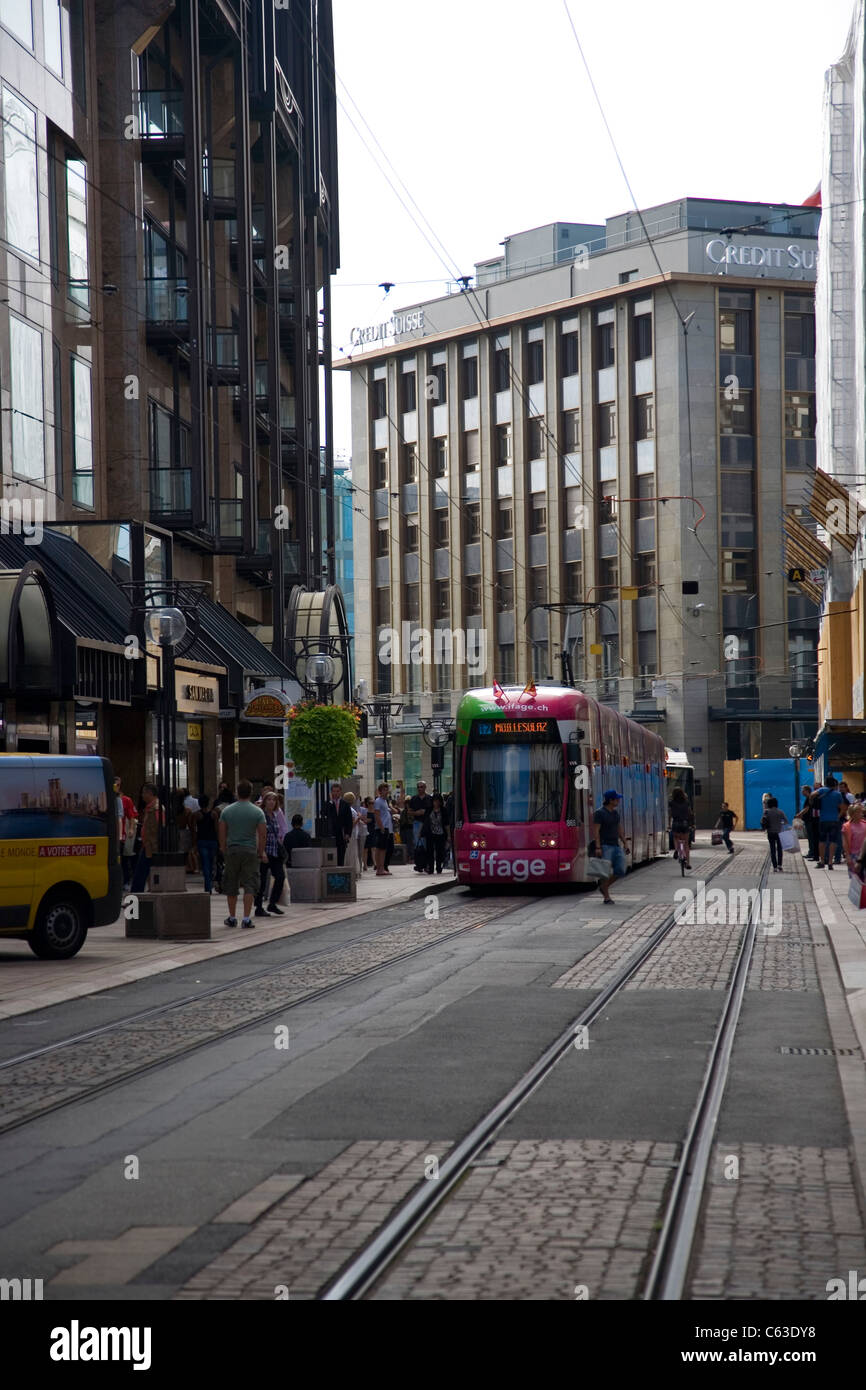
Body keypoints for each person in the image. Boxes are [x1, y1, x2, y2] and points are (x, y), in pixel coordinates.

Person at [218, 779, 267, 929]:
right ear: (251, 793)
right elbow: (262, 834)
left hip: (232, 850)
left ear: (237, 792)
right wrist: (261, 851)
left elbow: (222, 832)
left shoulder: (227, 811)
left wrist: (223, 848)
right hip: (250, 851)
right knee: (249, 884)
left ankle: (232, 917)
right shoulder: (257, 811)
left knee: (231, 883)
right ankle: (246, 918)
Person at [591, 790, 630, 904]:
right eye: (616, 799)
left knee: (621, 869)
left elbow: (619, 829)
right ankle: (606, 897)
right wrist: (598, 847)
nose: (618, 800)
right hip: (605, 845)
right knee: (605, 871)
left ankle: (603, 887)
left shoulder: (615, 813)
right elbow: (596, 831)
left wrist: (625, 842)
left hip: (615, 845)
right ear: (610, 800)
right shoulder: (599, 813)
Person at [255, 791, 288, 917]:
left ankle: (272, 903)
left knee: (280, 877)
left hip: (274, 852)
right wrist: (260, 851)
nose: (271, 802)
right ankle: (258, 907)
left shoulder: (275, 815)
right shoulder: (261, 814)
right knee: (262, 881)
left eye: (273, 800)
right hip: (264, 851)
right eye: (268, 799)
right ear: (264, 801)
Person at [130, 783, 161, 892]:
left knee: (140, 873)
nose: (142, 795)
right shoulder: (150, 808)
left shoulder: (156, 809)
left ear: (150, 793)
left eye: (144, 792)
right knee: (142, 873)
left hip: (152, 846)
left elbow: (160, 828)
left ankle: (135, 897)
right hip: (148, 845)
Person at [812, 776, 844, 870]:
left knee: (822, 841)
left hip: (823, 820)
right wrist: (837, 816)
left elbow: (812, 795)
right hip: (834, 820)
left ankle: (822, 861)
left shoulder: (822, 790)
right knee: (833, 841)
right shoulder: (838, 794)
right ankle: (830, 862)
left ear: (825, 783)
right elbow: (842, 808)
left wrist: (811, 801)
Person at [114, 777, 138, 888]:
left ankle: (125, 881)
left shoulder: (125, 800)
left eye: (118, 785)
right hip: (112, 833)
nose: (116, 787)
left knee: (123, 858)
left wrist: (131, 829)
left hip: (121, 833)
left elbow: (131, 816)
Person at [323, 783, 354, 866]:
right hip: (331, 833)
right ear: (331, 792)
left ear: (340, 792)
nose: (335, 793)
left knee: (341, 853)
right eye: (333, 791)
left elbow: (349, 820)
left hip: (342, 832)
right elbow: (324, 813)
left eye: (337, 791)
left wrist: (348, 833)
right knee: (331, 854)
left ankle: (340, 868)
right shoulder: (328, 803)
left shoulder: (345, 804)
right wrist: (330, 803)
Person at [195, 794, 219, 894]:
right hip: (212, 840)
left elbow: (194, 830)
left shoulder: (197, 815)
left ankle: (207, 886)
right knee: (211, 862)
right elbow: (217, 829)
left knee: (205, 864)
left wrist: (194, 843)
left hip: (202, 840)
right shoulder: (214, 814)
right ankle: (209, 883)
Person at [422, 793, 449, 874]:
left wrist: (449, 835)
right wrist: (421, 832)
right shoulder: (429, 810)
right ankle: (430, 868)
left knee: (439, 851)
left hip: (441, 833)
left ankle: (438, 867)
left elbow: (446, 824)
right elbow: (425, 821)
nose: (436, 803)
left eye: (438, 801)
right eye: (434, 801)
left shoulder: (443, 810)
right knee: (429, 851)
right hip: (430, 833)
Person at [761, 796, 789, 872]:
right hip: (779, 832)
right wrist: (781, 824)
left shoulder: (766, 811)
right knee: (780, 849)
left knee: (772, 849)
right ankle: (780, 865)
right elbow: (786, 822)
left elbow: (763, 820)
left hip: (770, 832)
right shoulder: (780, 812)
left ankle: (774, 866)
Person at [669, 787, 694, 870]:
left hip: (676, 823)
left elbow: (670, 814)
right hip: (684, 823)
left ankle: (676, 849)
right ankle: (688, 864)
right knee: (686, 844)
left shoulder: (671, 803)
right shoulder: (686, 803)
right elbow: (690, 813)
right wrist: (692, 824)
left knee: (675, 837)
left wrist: (669, 824)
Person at [372, 782, 394, 877]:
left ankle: (381, 868)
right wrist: (381, 828)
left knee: (383, 849)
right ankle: (380, 869)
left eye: (387, 790)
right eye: (384, 790)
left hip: (386, 827)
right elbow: (376, 815)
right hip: (382, 827)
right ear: (380, 791)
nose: (386, 792)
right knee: (381, 849)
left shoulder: (385, 801)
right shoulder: (378, 801)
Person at [342, 791, 363, 879]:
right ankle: (352, 870)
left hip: (353, 833)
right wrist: (358, 818)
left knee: (352, 852)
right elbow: (351, 824)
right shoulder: (350, 810)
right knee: (352, 852)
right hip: (352, 833)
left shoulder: (349, 809)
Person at [409, 781, 432, 856]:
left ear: (425, 787)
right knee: (418, 843)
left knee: (427, 843)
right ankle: (420, 862)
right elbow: (409, 812)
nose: (419, 789)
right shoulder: (414, 799)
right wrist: (417, 813)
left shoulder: (429, 798)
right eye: (418, 787)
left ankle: (427, 863)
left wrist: (425, 812)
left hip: (428, 823)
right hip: (417, 822)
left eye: (421, 787)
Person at [843, 801, 866, 870]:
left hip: (864, 855)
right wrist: (847, 856)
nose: (861, 814)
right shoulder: (847, 826)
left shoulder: (864, 824)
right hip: (853, 854)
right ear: (852, 814)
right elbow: (845, 843)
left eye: (861, 812)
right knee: (855, 878)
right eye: (859, 812)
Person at [801, 785, 818, 861]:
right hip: (808, 820)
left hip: (810, 820)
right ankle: (812, 852)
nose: (802, 792)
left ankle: (812, 852)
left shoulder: (809, 798)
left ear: (806, 791)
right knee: (810, 837)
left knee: (811, 837)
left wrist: (799, 814)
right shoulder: (809, 798)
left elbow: (807, 808)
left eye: (803, 790)